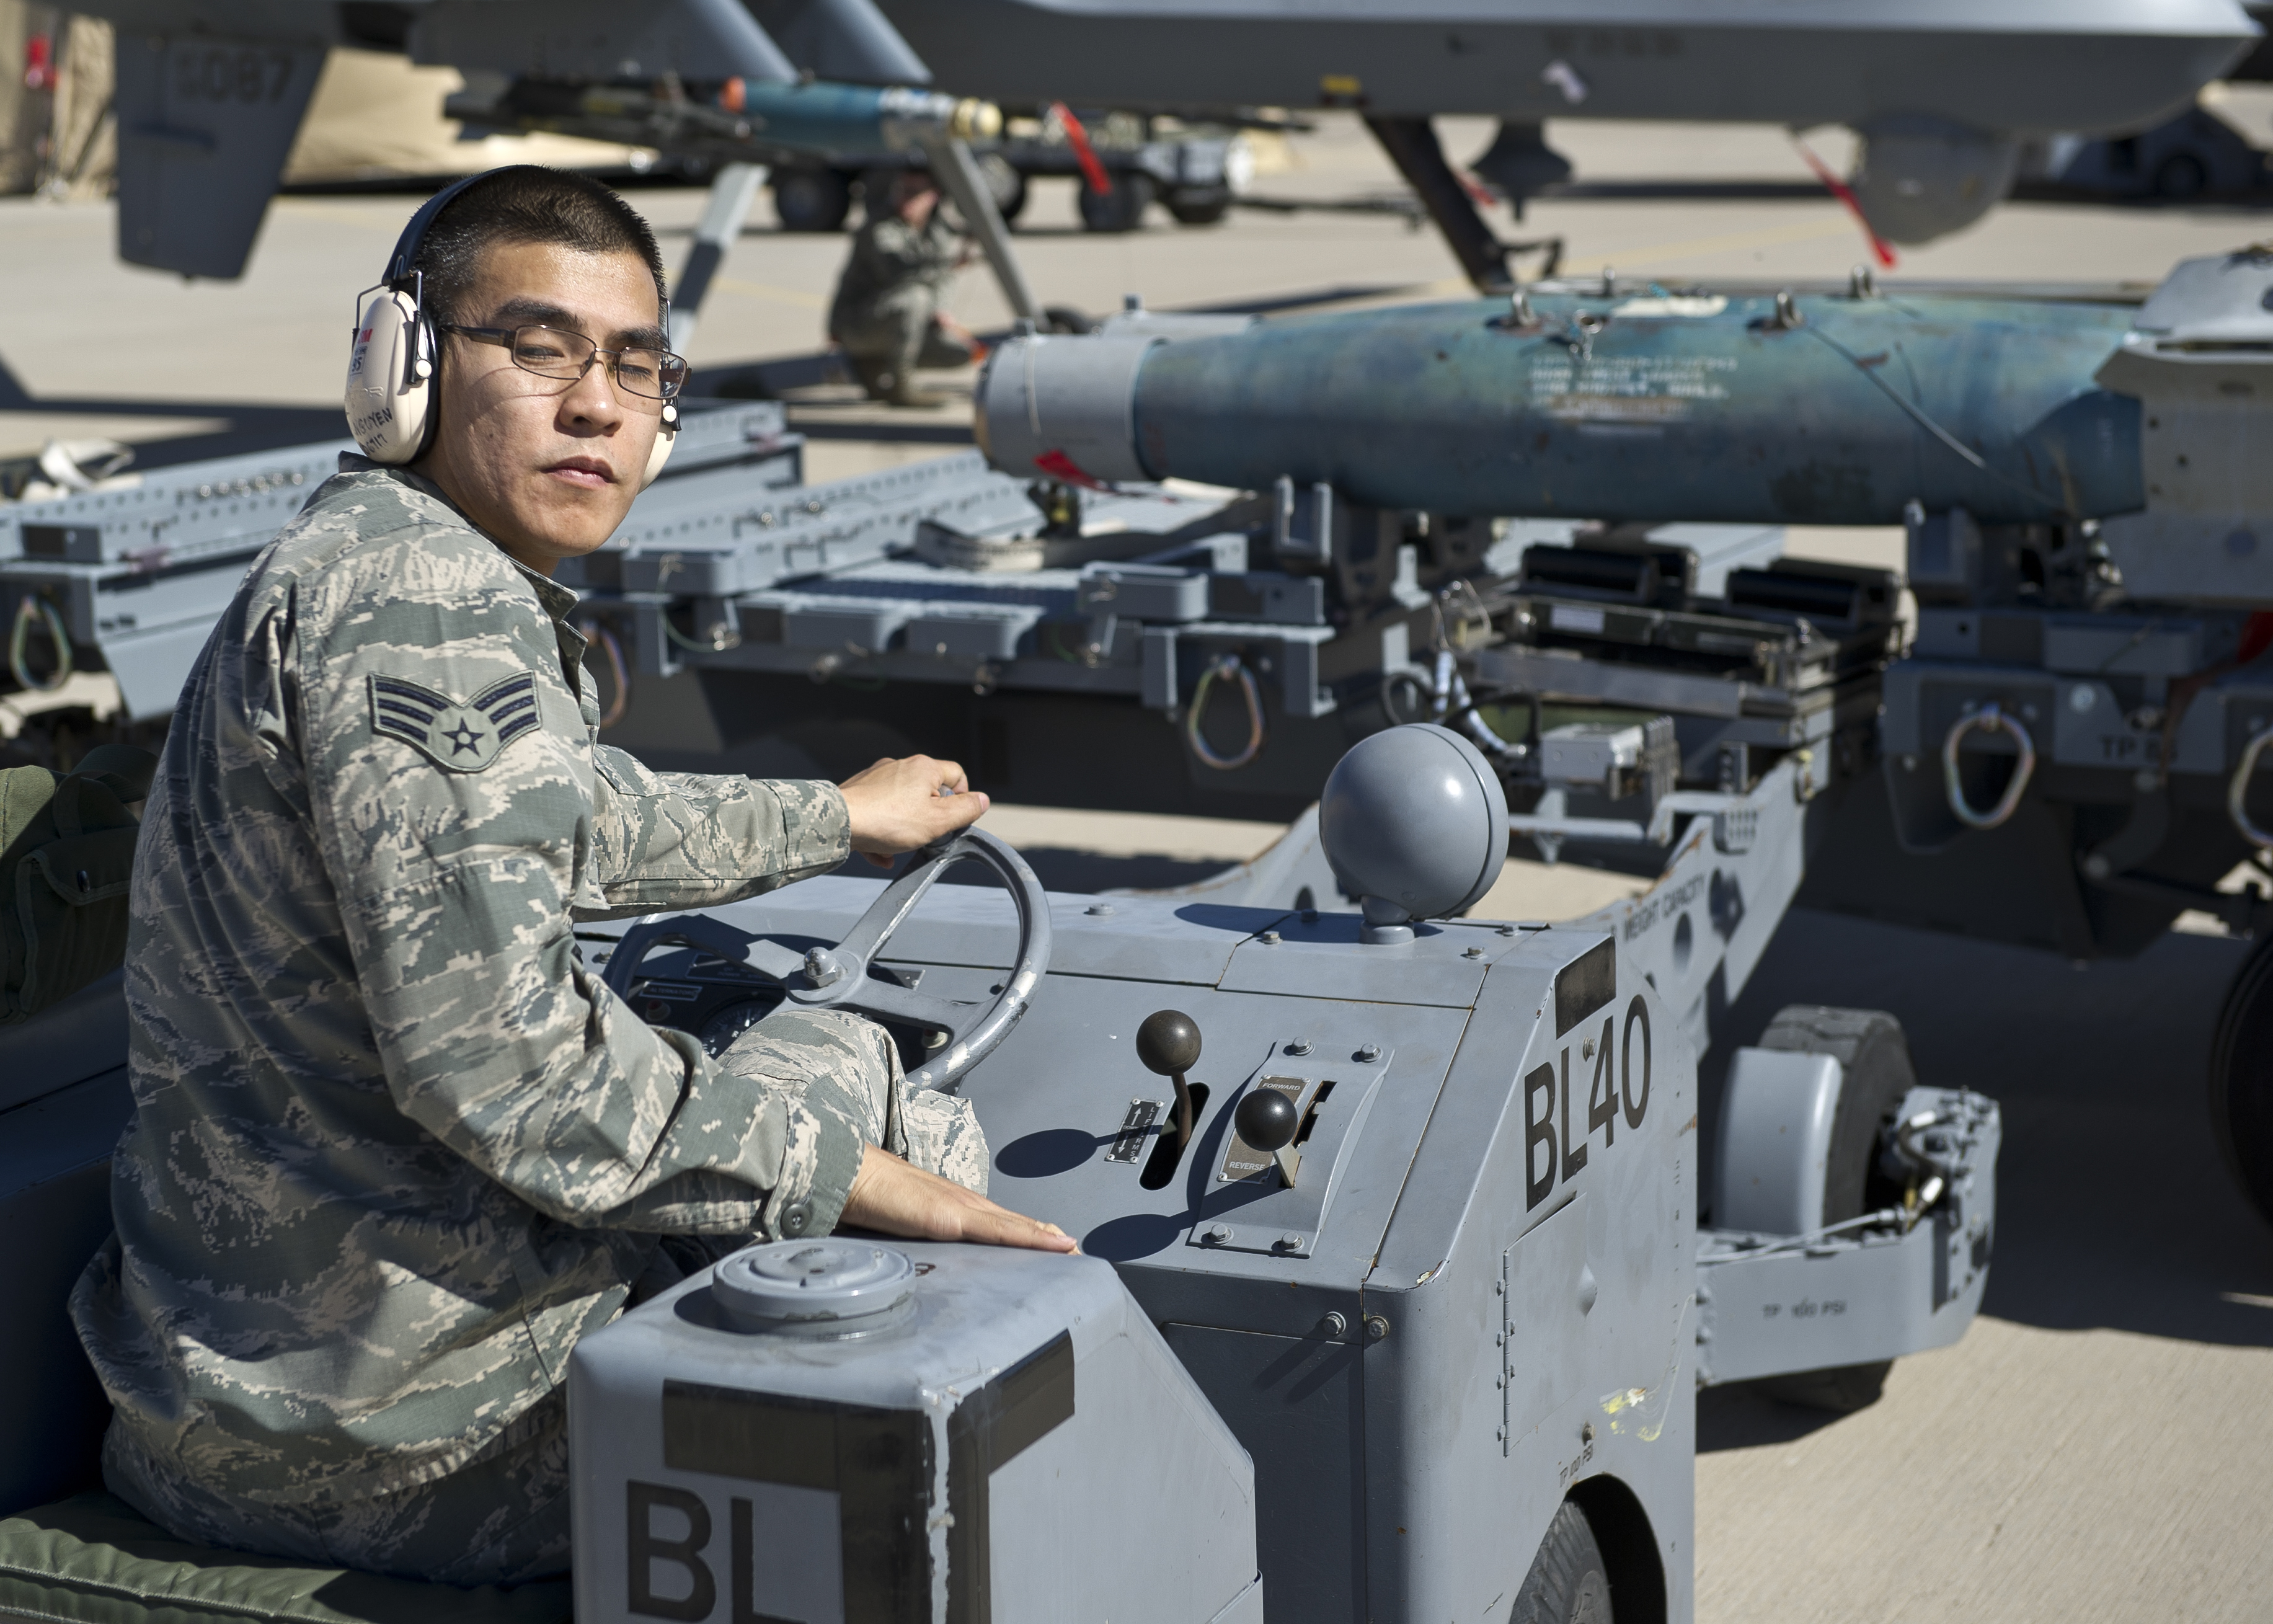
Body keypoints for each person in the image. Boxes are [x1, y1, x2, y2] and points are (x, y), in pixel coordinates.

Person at [68, 166, 1074, 1587]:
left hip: (220, 1386)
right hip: (400, 1450)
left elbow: (546, 816)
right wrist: (860, 1177)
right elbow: (512, 1075)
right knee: (877, 1092)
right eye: (535, 348)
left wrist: (827, 819)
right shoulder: (434, 608)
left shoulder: (363, 554)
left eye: (632, 362)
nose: (597, 403)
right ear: (402, 363)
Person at [827, 167, 981, 407]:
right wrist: (950, 263)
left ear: (934, 196)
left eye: (915, 192)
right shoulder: (879, 227)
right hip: (856, 324)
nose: (905, 198)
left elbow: (943, 281)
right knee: (915, 298)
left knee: (959, 353)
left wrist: (940, 311)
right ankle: (901, 387)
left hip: (897, 321)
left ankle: (874, 365)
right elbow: (899, 271)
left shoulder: (937, 231)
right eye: (902, 190)